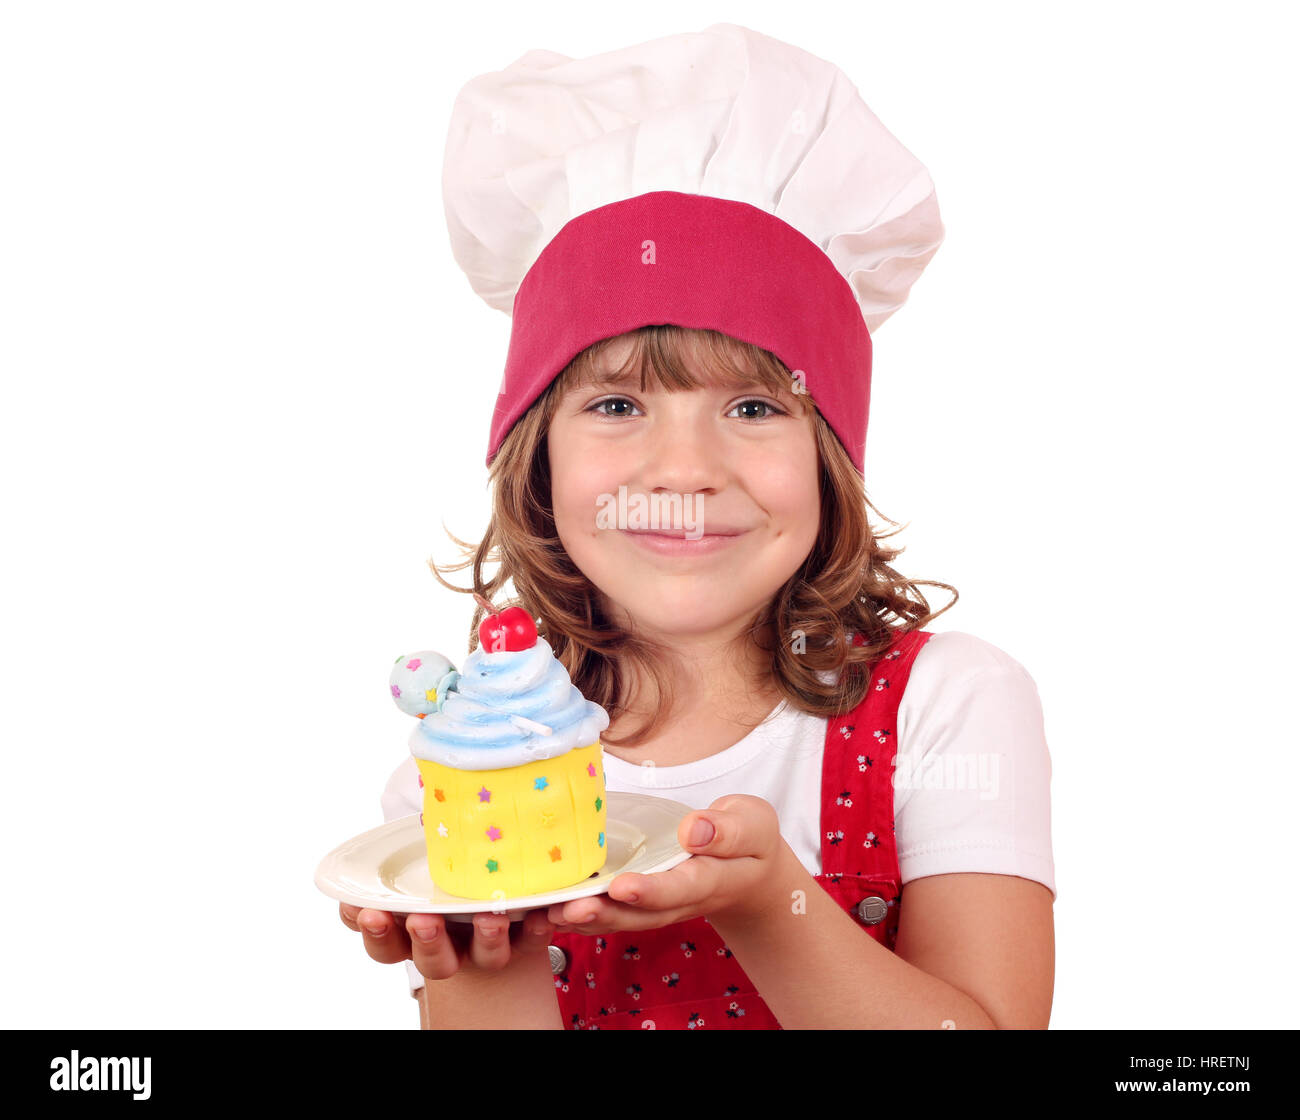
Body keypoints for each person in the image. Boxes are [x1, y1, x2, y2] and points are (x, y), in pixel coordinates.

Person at [337, 23, 1055, 1030]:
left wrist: (772, 903)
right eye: (618, 407)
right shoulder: (467, 774)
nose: (683, 470)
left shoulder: (945, 708)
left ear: (830, 455)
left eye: (755, 408)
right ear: (536, 455)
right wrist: (484, 950)